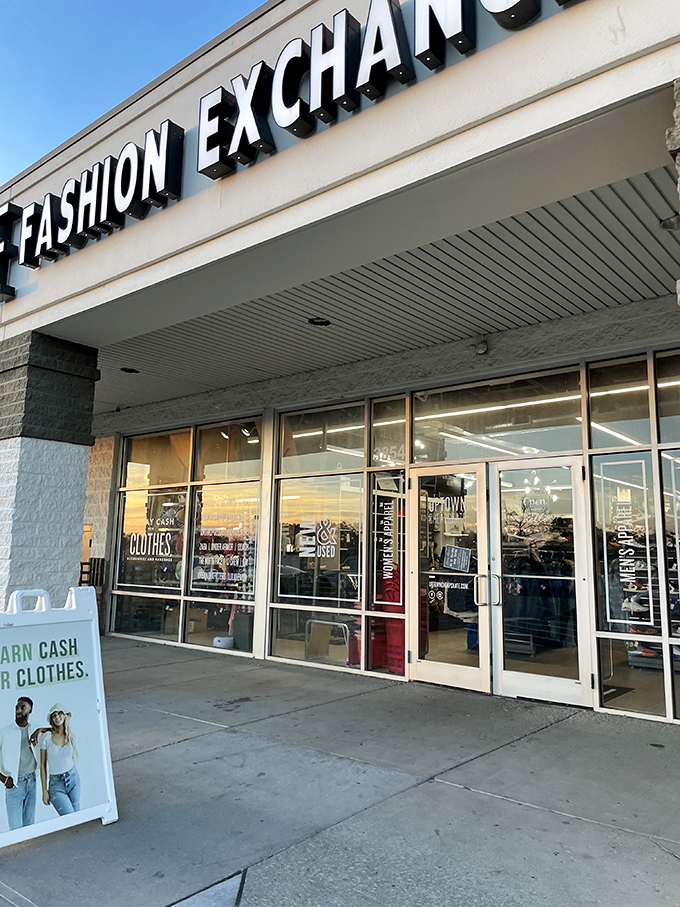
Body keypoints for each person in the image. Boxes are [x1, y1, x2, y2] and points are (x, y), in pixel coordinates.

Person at [34, 704, 80, 816]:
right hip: (56, 785)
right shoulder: (46, 738)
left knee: (77, 817)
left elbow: (62, 729)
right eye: (54, 715)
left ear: (64, 715)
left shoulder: (70, 735)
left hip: (73, 779)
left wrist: (41, 729)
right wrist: (44, 791)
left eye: (59, 713)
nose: (57, 717)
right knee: (69, 817)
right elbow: (43, 766)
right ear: (51, 719)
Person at [0, 697, 37, 830]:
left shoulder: (34, 729)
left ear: (30, 710)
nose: (18, 710)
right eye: (17, 707)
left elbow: (56, 729)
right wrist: (4, 780)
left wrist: (41, 730)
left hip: (32, 781)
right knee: (15, 829)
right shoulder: (4, 732)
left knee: (30, 826)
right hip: (14, 784)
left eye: (22, 707)